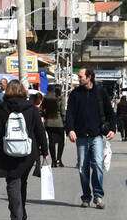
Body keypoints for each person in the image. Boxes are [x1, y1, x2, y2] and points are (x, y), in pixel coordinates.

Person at [0, 79, 48, 220]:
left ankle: (16, 218)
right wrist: (45, 151)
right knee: (22, 182)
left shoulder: (1, 108)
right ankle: (21, 212)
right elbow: (40, 131)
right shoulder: (31, 108)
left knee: (12, 183)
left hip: (7, 151)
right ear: (23, 91)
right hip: (27, 152)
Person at [65, 67, 114, 209]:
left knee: (98, 164)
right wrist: (70, 130)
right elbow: (70, 114)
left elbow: (110, 112)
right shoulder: (75, 94)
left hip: (96, 136)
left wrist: (112, 129)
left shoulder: (100, 92)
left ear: (89, 77)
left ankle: (98, 196)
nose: (78, 79)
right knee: (82, 168)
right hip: (80, 137)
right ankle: (86, 197)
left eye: (80, 77)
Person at [42, 93, 65, 167]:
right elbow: (63, 112)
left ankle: (53, 161)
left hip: (49, 122)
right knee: (61, 141)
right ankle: (59, 159)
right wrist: (65, 122)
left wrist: (45, 115)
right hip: (59, 122)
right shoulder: (61, 98)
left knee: (51, 142)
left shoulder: (46, 99)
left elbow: (40, 110)